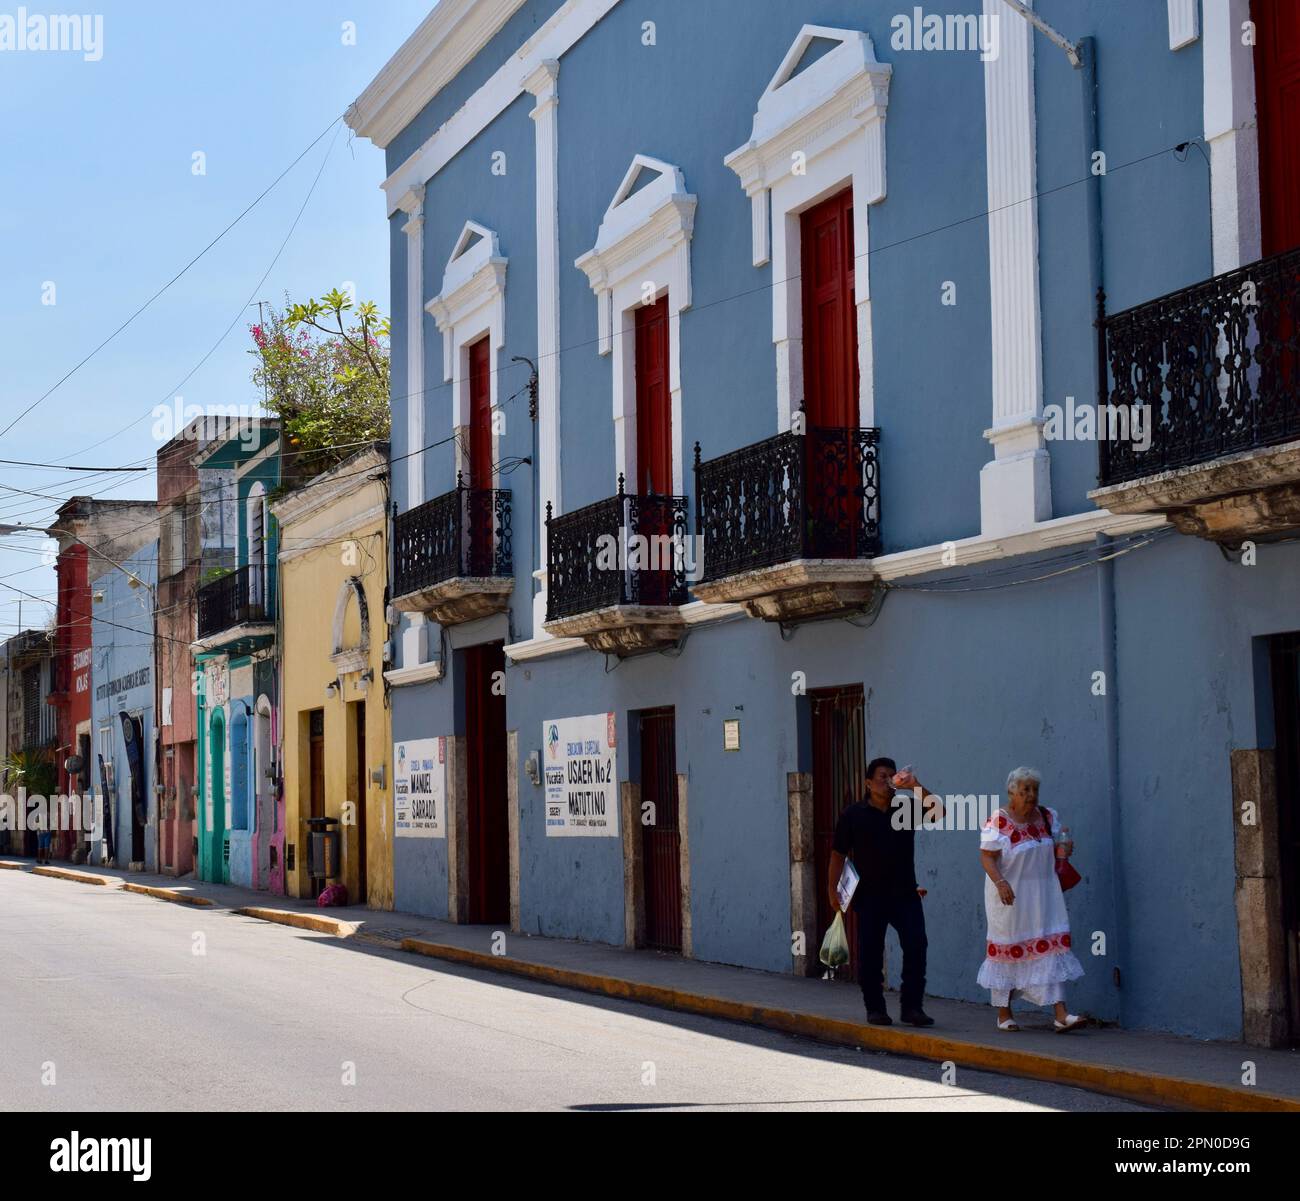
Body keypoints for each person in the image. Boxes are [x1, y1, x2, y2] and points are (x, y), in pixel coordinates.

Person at [828, 758, 941, 1027]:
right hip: (869, 896)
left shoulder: (906, 808)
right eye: (882, 776)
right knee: (870, 953)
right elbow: (837, 854)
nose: (888, 780)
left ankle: (912, 1008)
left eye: (892, 775)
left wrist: (914, 786)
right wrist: (832, 891)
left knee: (916, 946)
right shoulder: (852, 815)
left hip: (905, 893)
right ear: (868, 783)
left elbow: (938, 813)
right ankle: (875, 1008)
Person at [978, 766, 1085, 1032]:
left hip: (1044, 896)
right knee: (1009, 950)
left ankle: (1061, 1014)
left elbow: (1057, 848)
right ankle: (1004, 1014)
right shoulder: (999, 820)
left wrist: (1064, 849)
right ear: (1011, 791)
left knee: (1050, 948)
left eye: (1034, 789)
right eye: (1025, 789)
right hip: (1010, 897)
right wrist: (1000, 882)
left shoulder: (1048, 816)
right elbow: (987, 856)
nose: (1031, 795)